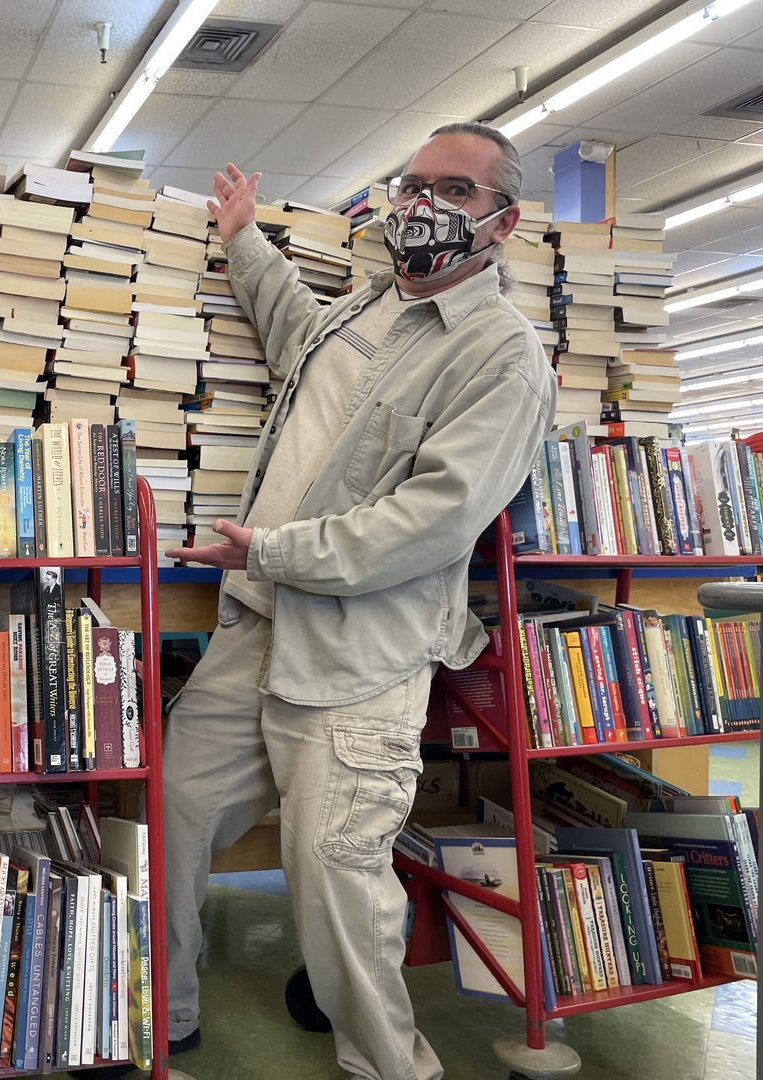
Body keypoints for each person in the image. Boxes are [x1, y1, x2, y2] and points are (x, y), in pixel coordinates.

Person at [159, 123, 555, 1080]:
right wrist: (244, 239)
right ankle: (161, 1012)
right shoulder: (360, 309)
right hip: (255, 629)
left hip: (357, 660)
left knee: (338, 877)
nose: (422, 204)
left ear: (500, 222)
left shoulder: (503, 358)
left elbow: (433, 518)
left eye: (453, 191)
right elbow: (293, 329)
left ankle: (391, 1067)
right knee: (172, 807)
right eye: (413, 183)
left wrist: (278, 550)